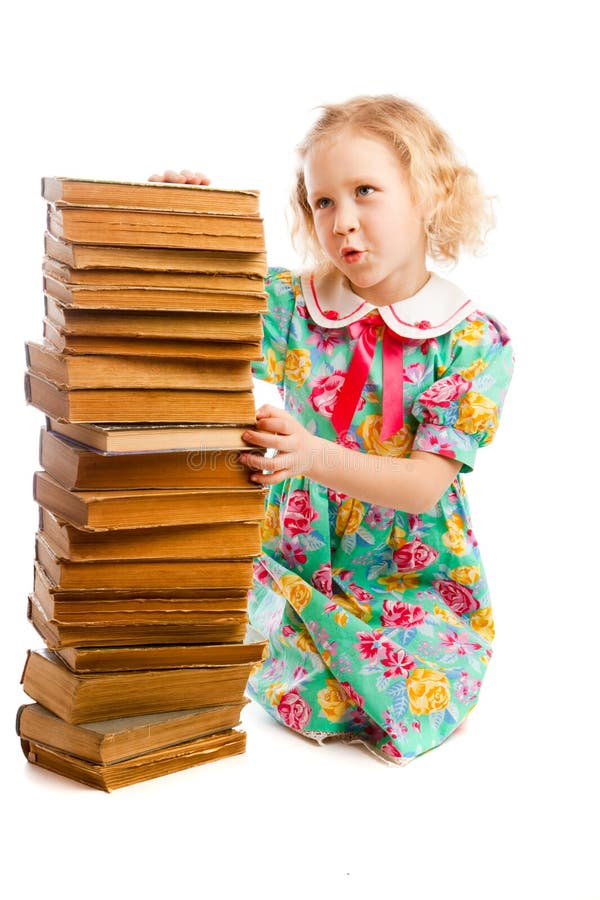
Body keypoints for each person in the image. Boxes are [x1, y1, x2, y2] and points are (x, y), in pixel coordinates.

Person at [150, 93, 515, 765]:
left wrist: (312, 455)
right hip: (296, 559)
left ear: (427, 195)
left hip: (411, 579)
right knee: (196, 609)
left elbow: (423, 489)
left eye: (365, 192)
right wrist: (183, 222)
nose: (343, 222)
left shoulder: (470, 341)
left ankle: (357, 672)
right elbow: (197, 313)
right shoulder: (296, 306)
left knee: (422, 683)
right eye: (323, 202)